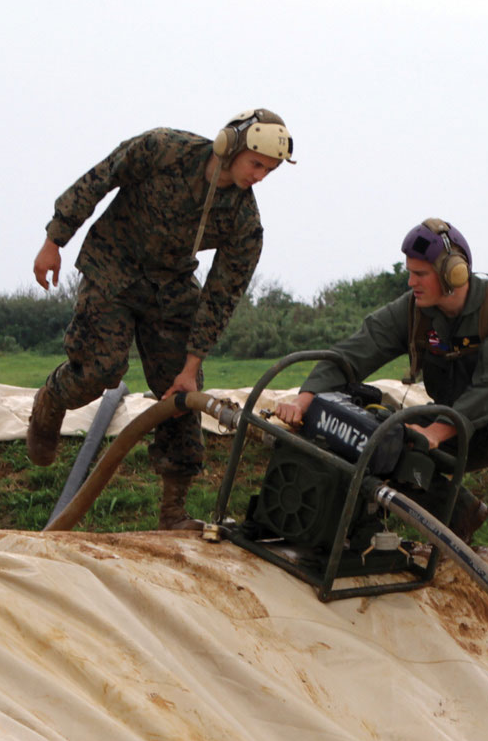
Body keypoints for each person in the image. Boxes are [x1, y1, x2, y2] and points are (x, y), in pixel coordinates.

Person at [24, 108, 293, 530]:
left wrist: (190, 367)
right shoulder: (164, 149)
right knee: (101, 371)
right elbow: (100, 178)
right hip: (112, 266)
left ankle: (173, 514)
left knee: (180, 399)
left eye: (269, 171)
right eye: (256, 164)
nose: (259, 176)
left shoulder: (244, 222)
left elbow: (221, 297)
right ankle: (52, 399)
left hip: (169, 289)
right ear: (230, 145)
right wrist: (54, 240)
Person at [276, 218, 488, 563]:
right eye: (410, 273)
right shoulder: (414, 310)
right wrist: (305, 398)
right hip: (449, 418)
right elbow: (354, 352)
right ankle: (461, 513)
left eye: (420, 274)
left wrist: (435, 431)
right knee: (387, 442)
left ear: (454, 273)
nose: (411, 282)